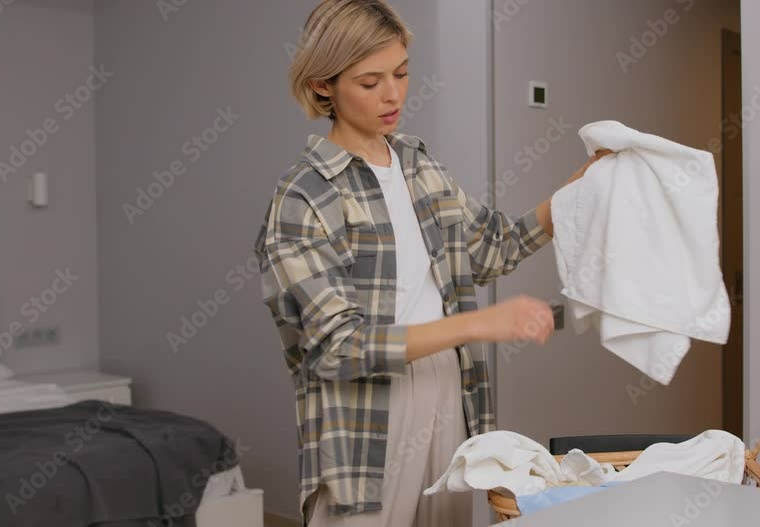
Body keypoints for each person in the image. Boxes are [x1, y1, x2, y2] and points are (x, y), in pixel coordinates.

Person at [254, 1, 611, 524]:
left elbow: (493, 247)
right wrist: (479, 324)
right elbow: (339, 346)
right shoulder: (303, 196)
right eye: (370, 81)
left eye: (400, 73)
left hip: (450, 386)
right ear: (323, 84)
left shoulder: (419, 167)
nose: (393, 94)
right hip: (366, 413)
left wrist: (578, 193)